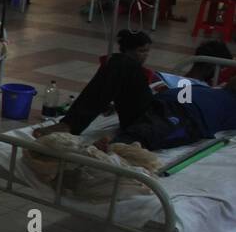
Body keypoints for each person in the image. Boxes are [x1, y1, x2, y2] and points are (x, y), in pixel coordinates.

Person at [34, 29, 236, 149]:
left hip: (187, 118)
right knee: (121, 62)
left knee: (159, 127)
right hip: (156, 105)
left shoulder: (230, 107)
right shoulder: (213, 89)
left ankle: (119, 142)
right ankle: (70, 124)